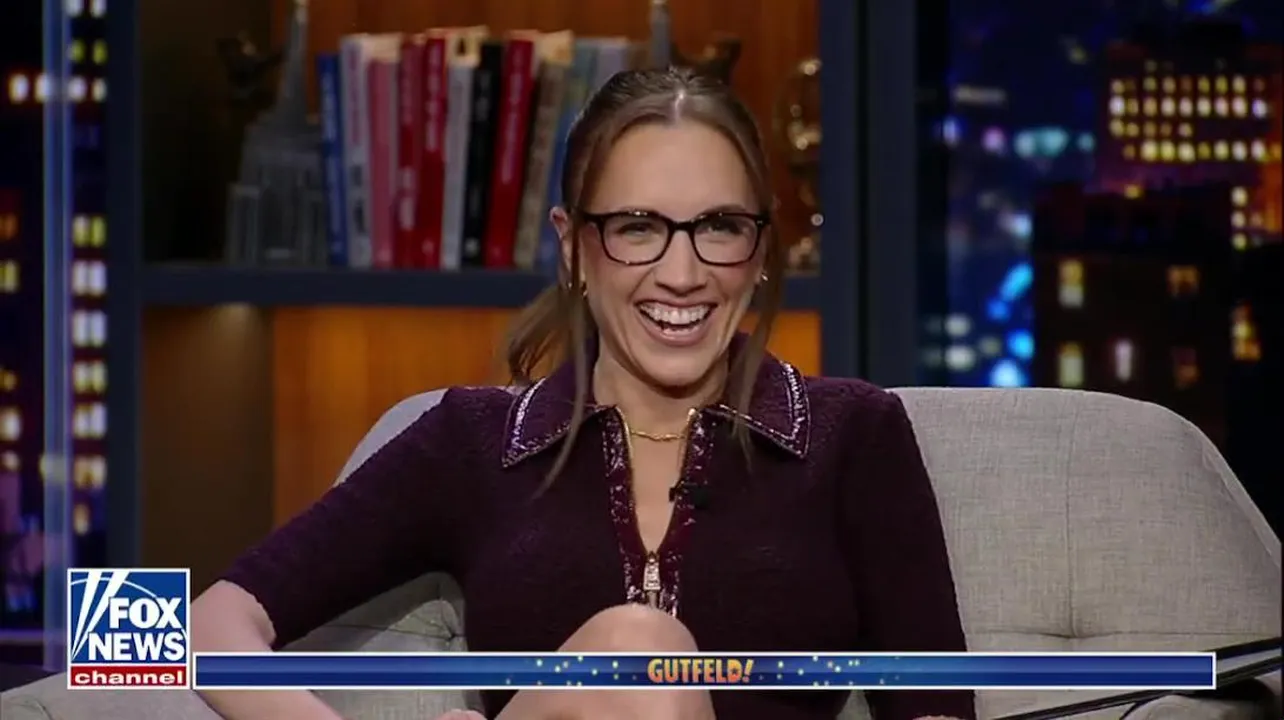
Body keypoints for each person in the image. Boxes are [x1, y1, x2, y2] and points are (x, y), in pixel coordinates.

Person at [191, 67, 975, 720]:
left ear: (761, 249)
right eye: (637, 228)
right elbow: (203, 626)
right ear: (572, 248)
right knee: (639, 648)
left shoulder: (854, 437)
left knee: (640, 650)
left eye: (720, 227)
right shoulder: (471, 441)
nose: (682, 273)